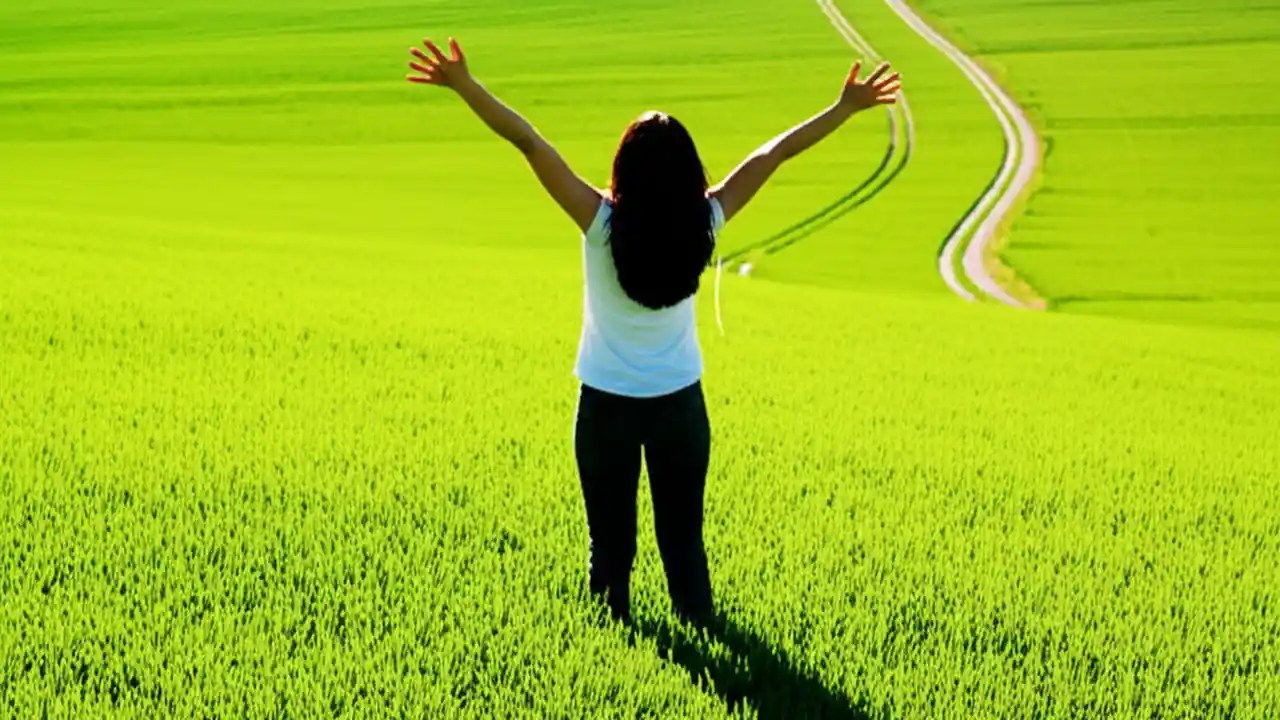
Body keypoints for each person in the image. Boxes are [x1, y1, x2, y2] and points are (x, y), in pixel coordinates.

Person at [406, 38, 900, 627]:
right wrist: (843, 108)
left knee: (609, 556)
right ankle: (711, 657)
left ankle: (611, 655)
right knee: (685, 549)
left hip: (605, 408)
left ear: (625, 170)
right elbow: (774, 155)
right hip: (679, 409)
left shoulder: (600, 224)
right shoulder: (706, 221)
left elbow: (529, 143)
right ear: (689, 173)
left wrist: (464, 85)